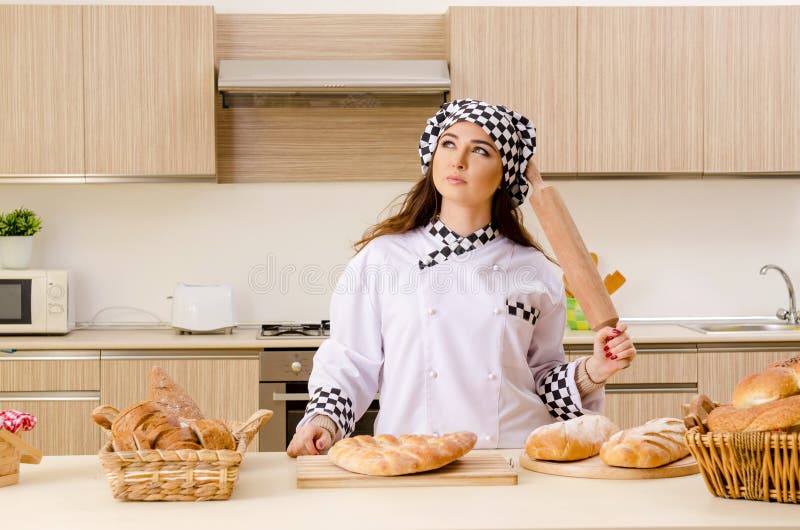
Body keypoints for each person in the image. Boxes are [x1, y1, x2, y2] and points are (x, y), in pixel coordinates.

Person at [287, 99, 636, 457]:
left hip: (511, 457)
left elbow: (542, 379)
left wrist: (593, 371)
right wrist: (324, 419)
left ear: (505, 175)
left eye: (480, 150)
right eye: (449, 144)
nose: (458, 160)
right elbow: (350, 362)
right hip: (410, 457)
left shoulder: (534, 270)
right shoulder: (381, 260)